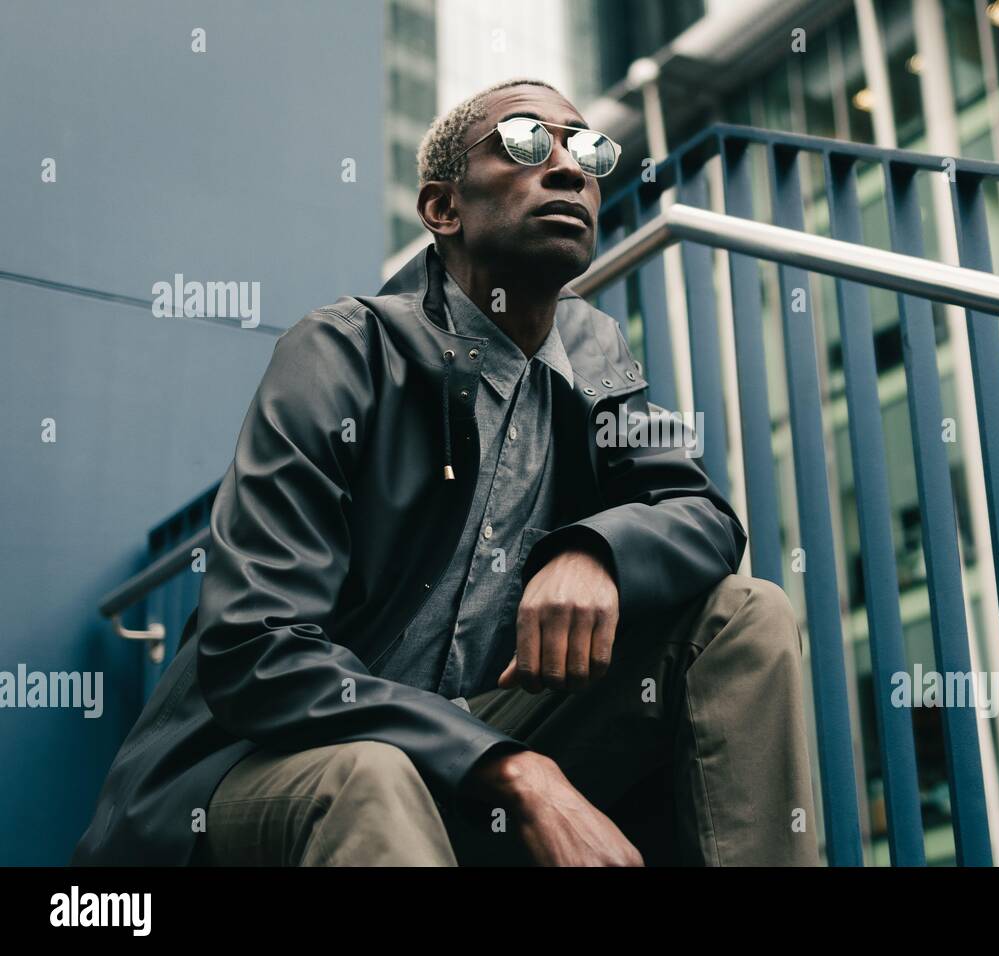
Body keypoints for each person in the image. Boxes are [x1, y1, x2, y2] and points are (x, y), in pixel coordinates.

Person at [71, 78, 818, 867]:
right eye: (528, 143)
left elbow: (698, 510)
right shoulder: (341, 351)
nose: (569, 168)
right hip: (260, 769)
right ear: (443, 208)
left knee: (744, 614)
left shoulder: (598, 357)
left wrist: (596, 550)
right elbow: (254, 649)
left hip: (471, 750)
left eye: (589, 150)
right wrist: (509, 768)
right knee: (372, 772)